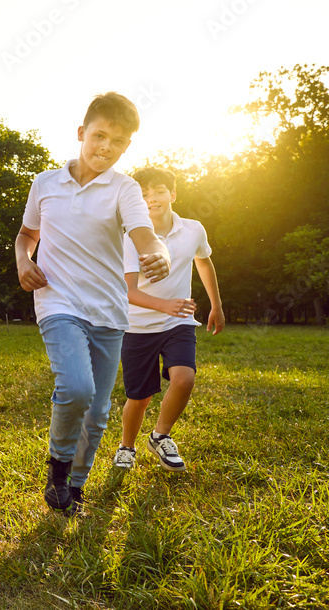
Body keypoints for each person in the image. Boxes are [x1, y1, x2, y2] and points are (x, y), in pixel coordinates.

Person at [15, 92, 173, 516]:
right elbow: (27, 234)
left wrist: (159, 253)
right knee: (77, 388)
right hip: (58, 301)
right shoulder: (45, 183)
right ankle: (58, 470)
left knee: (99, 410)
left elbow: (146, 235)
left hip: (107, 310)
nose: (106, 146)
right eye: (99, 135)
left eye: (118, 141)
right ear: (82, 132)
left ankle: (75, 487)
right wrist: (22, 260)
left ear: (126, 147)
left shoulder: (125, 189)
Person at [112, 167, 225, 472]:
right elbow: (128, 292)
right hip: (136, 327)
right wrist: (165, 305)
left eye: (159, 191)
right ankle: (127, 446)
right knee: (140, 397)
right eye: (144, 194)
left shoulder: (193, 229)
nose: (152, 199)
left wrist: (216, 304)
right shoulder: (129, 238)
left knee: (184, 378)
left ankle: (161, 436)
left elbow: (203, 261)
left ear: (173, 194)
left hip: (178, 323)